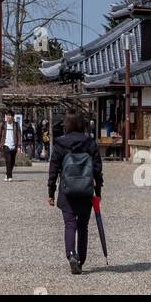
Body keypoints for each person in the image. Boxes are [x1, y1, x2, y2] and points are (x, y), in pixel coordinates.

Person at [47, 111, 103, 275]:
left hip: (67, 190)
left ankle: (71, 254)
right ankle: (81, 259)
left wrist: (51, 192)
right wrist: (97, 191)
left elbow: (53, 170)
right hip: (86, 191)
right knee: (83, 226)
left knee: (70, 224)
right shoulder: (90, 143)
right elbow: (97, 169)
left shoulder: (60, 144)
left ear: (67, 124)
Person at [0, 111, 21, 181]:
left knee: (12, 161)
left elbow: (19, 135)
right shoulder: (3, 124)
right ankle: (10, 176)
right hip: (5, 144)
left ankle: (7, 173)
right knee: (8, 160)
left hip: (14, 145)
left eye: (9, 115)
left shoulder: (16, 125)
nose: (8, 117)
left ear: (13, 117)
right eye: (7, 115)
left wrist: (19, 146)